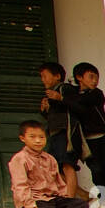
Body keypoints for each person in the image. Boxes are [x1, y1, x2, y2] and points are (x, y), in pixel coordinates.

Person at [0, 119, 89, 208]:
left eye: (42, 137)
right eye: (32, 137)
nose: (38, 141)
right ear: (23, 138)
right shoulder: (20, 159)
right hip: (35, 198)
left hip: (52, 197)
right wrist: (28, 203)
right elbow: (20, 185)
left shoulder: (49, 159)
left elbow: (58, 181)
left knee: (80, 204)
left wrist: (64, 197)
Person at [67, 62, 105, 192]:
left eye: (97, 78)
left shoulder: (97, 94)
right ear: (79, 77)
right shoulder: (73, 96)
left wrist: (63, 99)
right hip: (87, 141)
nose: (95, 81)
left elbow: (81, 104)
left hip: (104, 138)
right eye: (91, 77)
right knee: (96, 172)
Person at [38, 62, 80, 197]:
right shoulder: (50, 94)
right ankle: (84, 195)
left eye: (45, 76)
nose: (42, 80)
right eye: (41, 77)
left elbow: (75, 106)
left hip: (66, 132)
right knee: (55, 168)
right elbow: (53, 115)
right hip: (55, 134)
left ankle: (71, 200)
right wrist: (45, 110)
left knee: (68, 165)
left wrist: (60, 98)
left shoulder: (64, 88)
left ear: (57, 76)